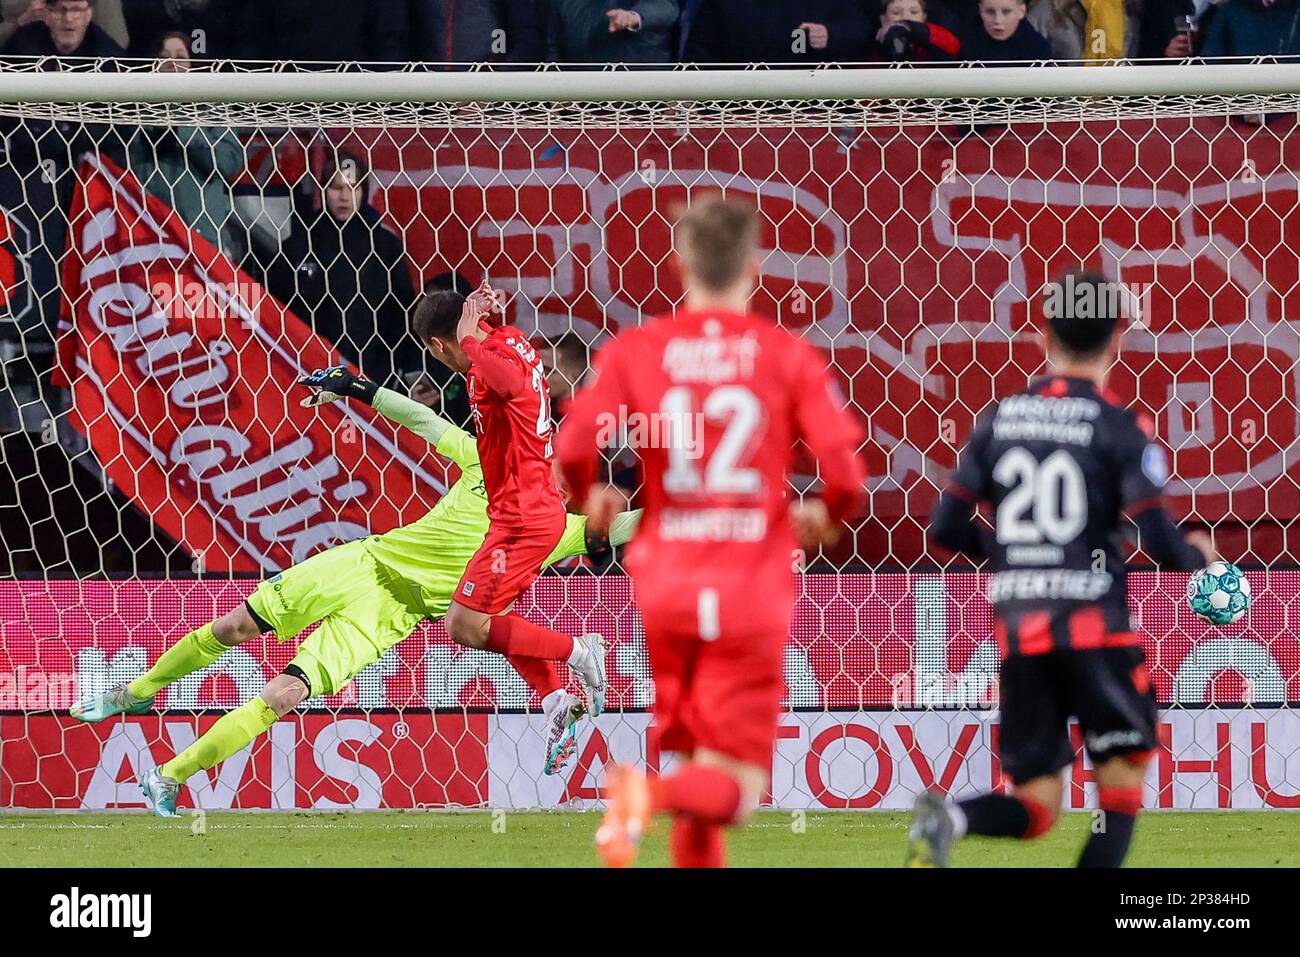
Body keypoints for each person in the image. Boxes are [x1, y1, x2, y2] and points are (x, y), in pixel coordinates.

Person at [71, 368, 642, 815]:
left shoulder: (558, 532)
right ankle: (137, 691)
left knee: (284, 694)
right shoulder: (486, 464)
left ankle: (167, 779)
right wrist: (360, 389)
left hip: (388, 615)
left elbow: (632, 524)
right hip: (361, 562)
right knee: (234, 627)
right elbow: (422, 420)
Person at [556, 197, 865, 868]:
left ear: (679, 263)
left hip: (668, 583)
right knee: (739, 788)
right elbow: (847, 474)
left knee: (700, 764)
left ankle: (657, 790)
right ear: (754, 268)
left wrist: (592, 497)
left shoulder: (637, 349)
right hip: (750, 585)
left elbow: (575, 444)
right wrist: (826, 514)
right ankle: (644, 792)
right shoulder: (785, 354)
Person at [910, 270, 1216, 868]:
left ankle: (952, 816)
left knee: (1039, 806)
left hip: (1022, 637)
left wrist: (1013, 557)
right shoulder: (1119, 427)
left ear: (1043, 332)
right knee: (1120, 793)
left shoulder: (998, 420)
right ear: (1119, 338)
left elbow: (943, 527)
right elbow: (1159, 538)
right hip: (1096, 634)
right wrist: (1200, 556)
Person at [411, 284, 611, 721]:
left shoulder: (486, 365)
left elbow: (509, 381)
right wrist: (481, 323)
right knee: (491, 614)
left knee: (462, 625)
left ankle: (578, 650)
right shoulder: (510, 339)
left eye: (440, 353)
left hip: (524, 519)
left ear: (437, 345)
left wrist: (467, 338)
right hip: (522, 510)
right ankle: (555, 698)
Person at [260, 151, 421, 390]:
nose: (344, 196)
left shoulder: (385, 245)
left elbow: (403, 312)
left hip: (373, 374)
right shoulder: (300, 243)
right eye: (336, 187)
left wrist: (409, 369)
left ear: (364, 190)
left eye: (353, 187)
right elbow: (274, 306)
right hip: (311, 370)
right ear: (323, 190)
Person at [126, 31, 244, 254]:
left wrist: (182, 128)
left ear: (191, 63)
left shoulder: (213, 108)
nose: (172, 62)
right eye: (164, 56)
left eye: (179, 56)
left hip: (204, 239)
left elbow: (228, 163)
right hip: (152, 237)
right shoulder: (137, 112)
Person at [547, 0, 680, 64]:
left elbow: (666, 7)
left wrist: (634, 16)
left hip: (637, 89)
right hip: (579, 91)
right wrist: (556, 81)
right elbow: (550, 33)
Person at [2, 0, 126, 56]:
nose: (68, 18)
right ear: (46, 13)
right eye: (61, 11)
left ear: (88, 14)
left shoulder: (108, 53)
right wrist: (17, 24)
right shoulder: (22, 47)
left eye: (76, 10)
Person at [960, 0, 1054, 60]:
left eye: (1006, 12)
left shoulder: (1039, 49)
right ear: (980, 10)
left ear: (1021, 11)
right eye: (990, 12)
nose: (998, 20)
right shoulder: (968, 44)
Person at [874, 0, 960, 61]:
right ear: (883, 19)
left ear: (924, 17)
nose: (906, 17)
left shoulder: (932, 39)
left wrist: (911, 28)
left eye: (913, 12)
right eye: (896, 12)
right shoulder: (874, 45)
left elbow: (953, 47)